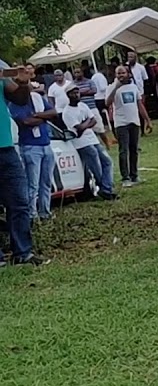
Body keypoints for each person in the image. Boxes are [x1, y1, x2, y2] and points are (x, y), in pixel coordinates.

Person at [0, 62, 46, 265]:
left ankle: (22, 253)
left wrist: (23, 80)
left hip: (6, 147)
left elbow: (18, 98)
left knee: (19, 201)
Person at [8, 69, 57, 220]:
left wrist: (36, 115)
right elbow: (25, 122)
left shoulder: (37, 98)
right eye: (22, 83)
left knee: (46, 182)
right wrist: (44, 117)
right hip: (30, 146)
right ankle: (32, 214)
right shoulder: (14, 104)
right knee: (33, 184)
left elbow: (54, 113)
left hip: (45, 143)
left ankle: (45, 212)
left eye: (27, 83)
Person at [61, 86, 116, 200]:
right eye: (74, 93)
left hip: (92, 138)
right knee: (96, 167)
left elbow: (93, 120)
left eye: (78, 93)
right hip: (81, 143)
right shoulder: (67, 112)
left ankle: (106, 188)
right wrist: (86, 123)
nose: (77, 95)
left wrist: (84, 124)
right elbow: (78, 128)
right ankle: (105, 189)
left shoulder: (83, 106)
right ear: (68, 95)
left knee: (107, 162)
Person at [106, 64, 151, 186]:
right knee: (123, 150)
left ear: (128, 74)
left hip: (134, 121)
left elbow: (139, 105)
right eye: (118, 73)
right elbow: (107, 102)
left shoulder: (133, 87)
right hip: (121, 123)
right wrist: (116, 87)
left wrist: (147, 120)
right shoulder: (112, 87)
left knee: (134, 149)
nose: (120, 75)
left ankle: (134, 175)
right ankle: (125, 177)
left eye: (123, 73)